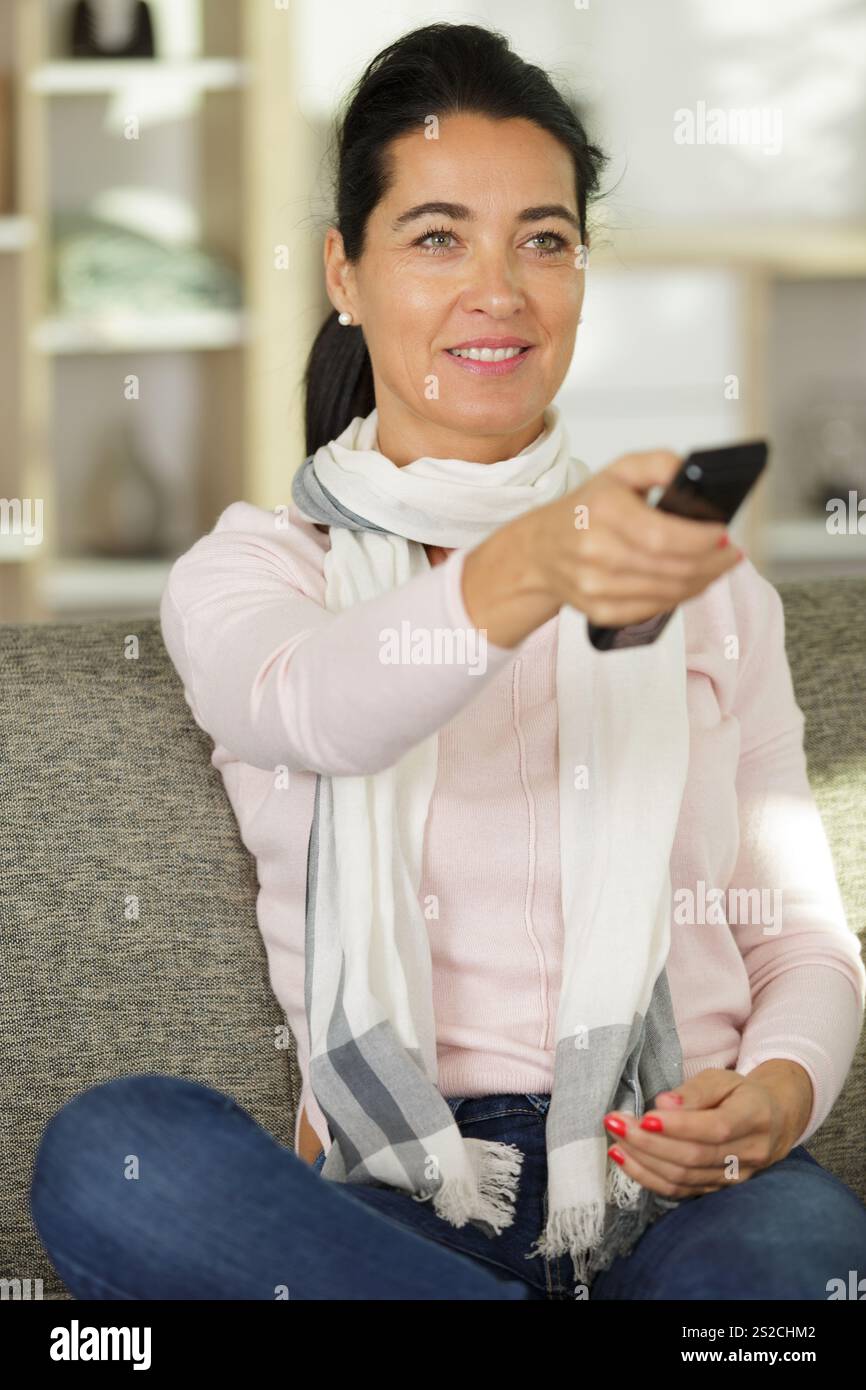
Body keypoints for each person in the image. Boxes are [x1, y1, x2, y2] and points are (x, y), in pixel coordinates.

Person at [30, 21, 866, 1301]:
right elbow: (323, 706)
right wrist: (540, 564)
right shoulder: (258, 573)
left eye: (543, 238)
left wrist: (773, 1094)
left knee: (800, 1270)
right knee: (113, 1151)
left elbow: (798, 941)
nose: (500, 288)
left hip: (679, 1185)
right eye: (435, 237)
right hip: (403, 1194)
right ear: (345, 273)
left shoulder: (709, 588)